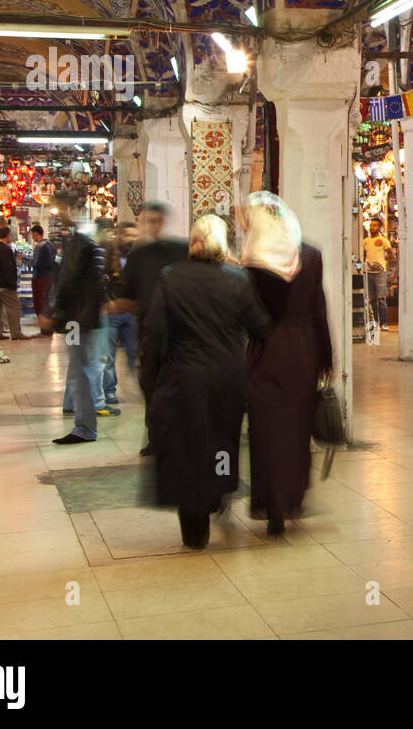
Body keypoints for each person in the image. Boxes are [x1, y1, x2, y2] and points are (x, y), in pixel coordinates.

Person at [140, 215, 272, 549]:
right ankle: (217, 494)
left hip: (184, 376)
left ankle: (194, 528)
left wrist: (151, 381)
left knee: (187, 448)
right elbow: (260, 328)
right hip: (227, 378)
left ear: (193, 242)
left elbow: (155, 333)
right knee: (221, 442)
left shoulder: (170, 278)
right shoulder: (236, 280)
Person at [241, 192, 333, 536]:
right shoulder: (310, 255)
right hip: (304, 351)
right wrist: (326, 357)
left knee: (266, 431)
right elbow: (318, 309)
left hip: (266, 352)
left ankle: (271, 505)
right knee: (297, 429)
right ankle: (291, 499)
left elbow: (247, 314)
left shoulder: (253, 260)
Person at [121, 202, 188, 455]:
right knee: (151, 385)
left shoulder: (180, 250)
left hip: (179, 333)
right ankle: (156, 438)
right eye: (148, 221)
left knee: (178, 387)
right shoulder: (139, 255)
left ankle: (179, 436)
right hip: (149, 334)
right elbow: (129, 294)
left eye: (157, 221)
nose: (153, 226)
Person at [42, 192, 107, 444]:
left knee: (80, 371)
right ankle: (83, 423)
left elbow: (68, 283)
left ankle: (85, 428)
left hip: (76, 318)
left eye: (58, 209)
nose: (56, 214)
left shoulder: (80, 241)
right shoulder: (83, 240)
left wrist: (53, 312)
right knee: (80, 369)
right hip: (81, 315)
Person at [98, 219, 136, 406]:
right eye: (128, 235)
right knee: (109, 355)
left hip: (131, 312)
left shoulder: (138, 256)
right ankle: (109, 391)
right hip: (112, 312)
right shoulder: (108, 256)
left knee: (134, 351)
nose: (131, 239)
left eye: (134, 236)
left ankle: (138, 385)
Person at [0, 226, 32, 341]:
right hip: (4, 285)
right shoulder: (6, 250)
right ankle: (16, 333)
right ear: (7, 235)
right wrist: (12, 284)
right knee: (14, 307)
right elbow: (9, 268)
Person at [362, 218, 394, 329]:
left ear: (379, 227)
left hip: (380, 273)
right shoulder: (365, 241)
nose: (372, 227)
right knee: (371, 299)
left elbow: (391, 255)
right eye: (371, 225)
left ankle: (383, 323)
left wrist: (382, 260)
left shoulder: (383, 240)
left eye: (375, 225)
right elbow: (363, 256)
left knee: (381, 298)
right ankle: (374, 322)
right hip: (368, 273)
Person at [29, 224, 56, 319]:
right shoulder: (51, 244)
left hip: (39, 277)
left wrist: (27, 261)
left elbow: (35, 263)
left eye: (32, 235)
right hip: (49, 276)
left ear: (36, 234)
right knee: (47, 300)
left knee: (39, 302)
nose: (32, 237)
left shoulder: (40, 246)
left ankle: (44, 327)